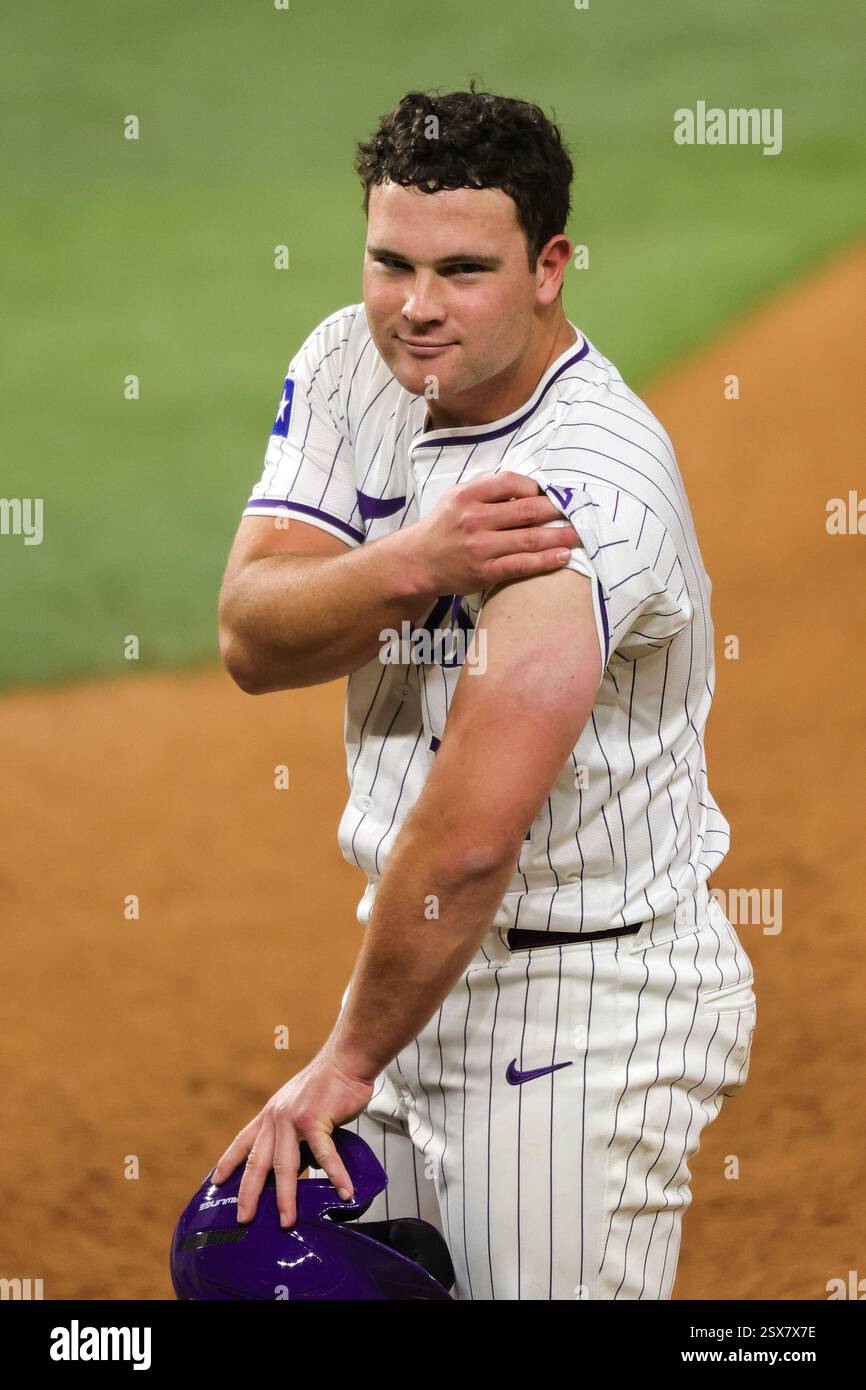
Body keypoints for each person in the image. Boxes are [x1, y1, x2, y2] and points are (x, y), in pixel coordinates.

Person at [210, 85, 756, 1301]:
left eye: (462, 270)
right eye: (389, 261)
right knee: (249, 1264)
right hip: (419, 969)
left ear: (549, 266)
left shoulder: (583, 495)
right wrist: (412, 561)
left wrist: (344, 1060)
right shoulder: (353, 363)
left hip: (583, 1012)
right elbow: (252, 637)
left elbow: (466, 842)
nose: (415, 308)